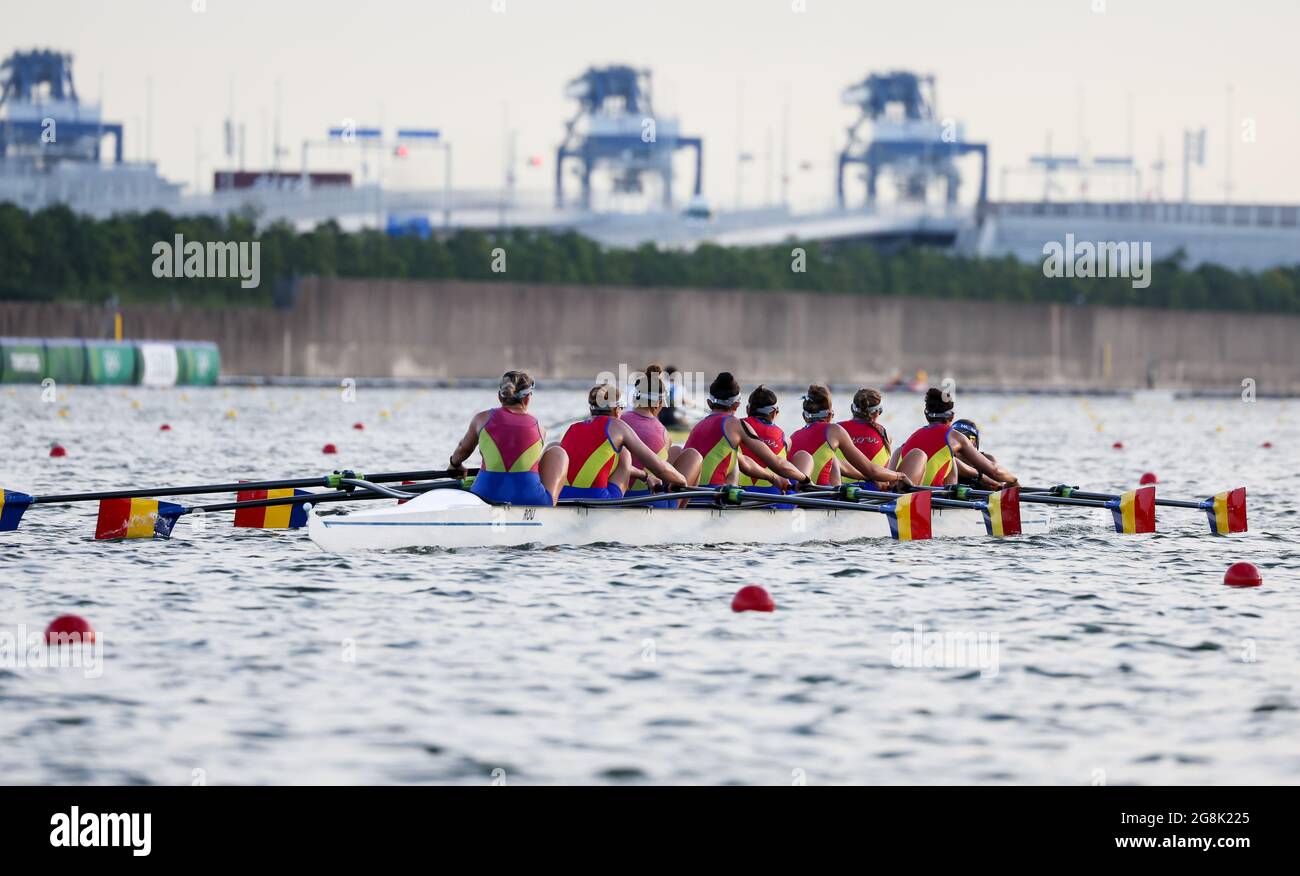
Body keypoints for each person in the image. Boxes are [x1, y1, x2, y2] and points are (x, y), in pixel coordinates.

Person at [447, 370, 568, 506]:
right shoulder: (540, 429)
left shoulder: (481, 419)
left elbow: (463, 449)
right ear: (528, 398)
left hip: (483, 496)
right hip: (530, 499)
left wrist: (454, 464)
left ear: (500, 396)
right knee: (558, 452)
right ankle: (551, 506)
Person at [676, 372, 808, 491]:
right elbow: (777, 463)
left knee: (733, 460)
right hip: (713, 496)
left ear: (709, 403)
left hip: (691, 495)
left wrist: (772, 477)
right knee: (734, 467)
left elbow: (745, 463)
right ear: (737, 405)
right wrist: (805, 480)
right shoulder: (735, 425)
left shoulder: (698, 425)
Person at [557, 383, 688, 501]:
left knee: (555, 446)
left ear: (592, 409)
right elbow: (658, 466)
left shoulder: (573, 428)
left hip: (563, 495)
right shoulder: (618, 426)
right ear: (616, 409)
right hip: (599, 498)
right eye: (622, 408)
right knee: (624, 453)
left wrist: (646, 477)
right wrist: (681, 480)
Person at [891, 388, 1018, 489]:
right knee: (951, 460)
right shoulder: (954, 436)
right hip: (923, 498)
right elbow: (995, 471)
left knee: (950, 459)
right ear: (952, 417)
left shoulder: (914, 435)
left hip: (906, 488)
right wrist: (1013, 480)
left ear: (926, 415)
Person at [788, 384, 910, 489]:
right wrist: (900, 476)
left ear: (804, 416)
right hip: (826, 497)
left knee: (833, 460)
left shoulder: (792, 437)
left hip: (799, 495)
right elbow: (872, 471)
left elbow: (844, 466)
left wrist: (867, 476)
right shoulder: (835, 430)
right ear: (830, 414)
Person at [623, 364, 690, 507]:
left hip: (619, 496)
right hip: (651, 499)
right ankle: (681, 513)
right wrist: (681, 480)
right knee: (692, 455)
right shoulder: (664, 433)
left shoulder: (617, 423)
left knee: (676, 451)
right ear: (658, 404)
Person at [737, 385, 791, 499]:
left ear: (747, 409)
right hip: (774, 497)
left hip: (739, 497)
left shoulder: (733, 428)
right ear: (774, 413)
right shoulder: (785, 438)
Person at [836, 387, 892, 489]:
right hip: (878, 494)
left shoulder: (836, 429)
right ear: (878, 412)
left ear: (852, 408)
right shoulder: (884, 432)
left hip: (845, 492)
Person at [951, 419, 1004, 490]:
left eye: (964, 438)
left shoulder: (988, 459)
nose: (958, 442)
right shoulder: (946, 458)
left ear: (974, 442)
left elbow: (999, 486)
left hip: (980, 498)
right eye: (954, 438)